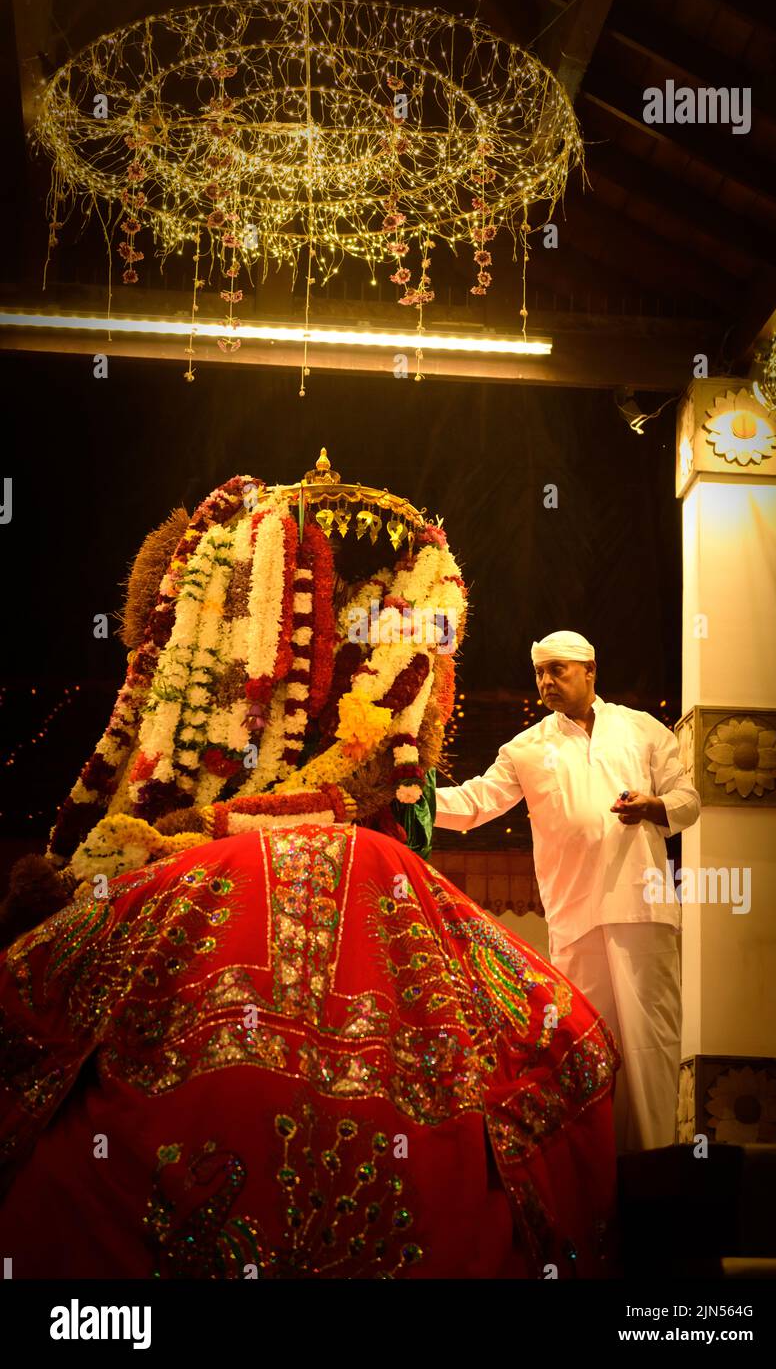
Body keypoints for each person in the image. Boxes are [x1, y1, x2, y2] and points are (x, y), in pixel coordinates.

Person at [0, 473, 621, 1280]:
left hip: (315, 847)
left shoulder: (386, 677)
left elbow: (387, 778)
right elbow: (440, 788)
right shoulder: (245, 695)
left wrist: (219, 824)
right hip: (298, 851)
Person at [434, 630, 701, 1153]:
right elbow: (475, 803)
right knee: (587, 1049)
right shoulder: (527, 747)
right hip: (574, 917)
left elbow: (688, 798)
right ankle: (598, 1178)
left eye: (558, 670)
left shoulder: (641, 729)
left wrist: (653, 805)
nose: (546, 681)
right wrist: (410, 796)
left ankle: (651, 1170)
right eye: (539, 672)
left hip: (641, 906)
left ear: (590, 670)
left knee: (651, 1044)